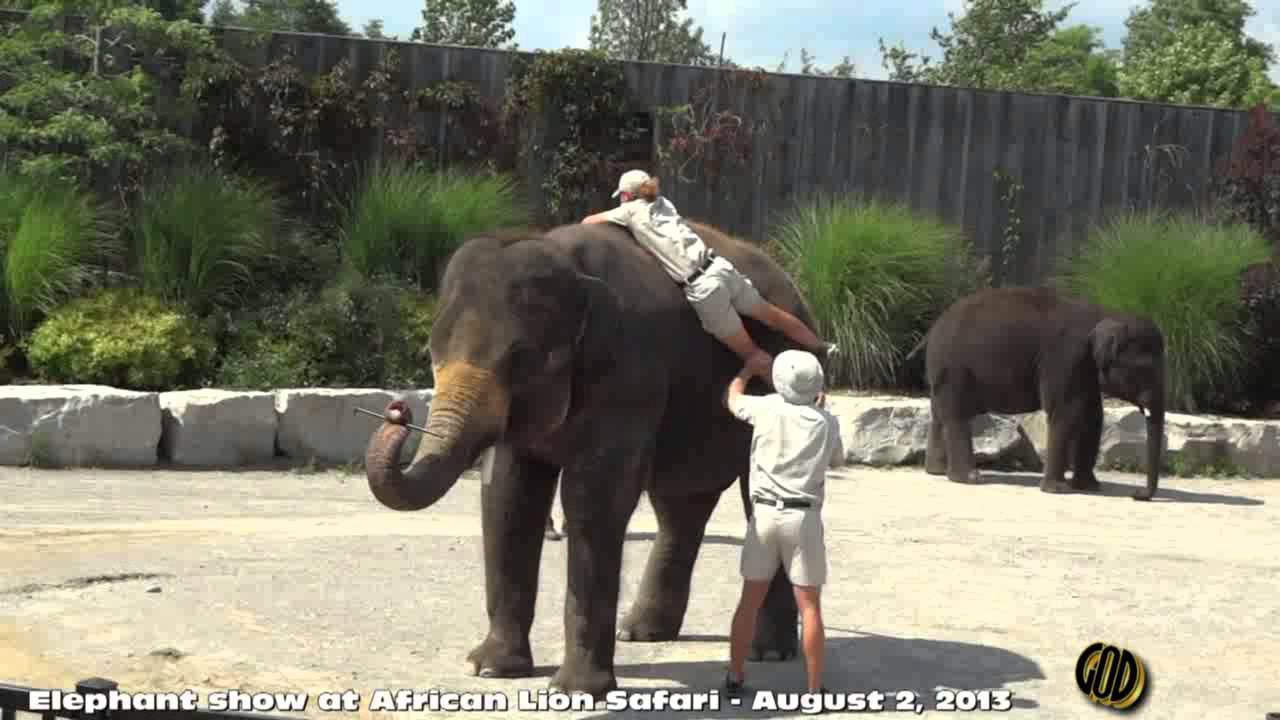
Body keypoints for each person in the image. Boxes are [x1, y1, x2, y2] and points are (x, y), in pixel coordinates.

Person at [581, 169, 838, 382]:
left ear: (626, 195)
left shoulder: (628, 211)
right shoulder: (663, 203)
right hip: (719, 266)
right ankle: (822, 346)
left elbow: (588, 222)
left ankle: (793, 397)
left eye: (621, 196)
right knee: (772, 316)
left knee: (751, 353)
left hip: (702, 286)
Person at [722, 349, 844, 698]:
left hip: (763, 516)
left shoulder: (765, 408)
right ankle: (814, 688)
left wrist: (745, 371)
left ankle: (735, 675)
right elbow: (836, 460)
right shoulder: (827, 423)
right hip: (802, 518)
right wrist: (820, 411)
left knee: (748, 602)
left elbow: (733, 399)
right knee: (810, 607)